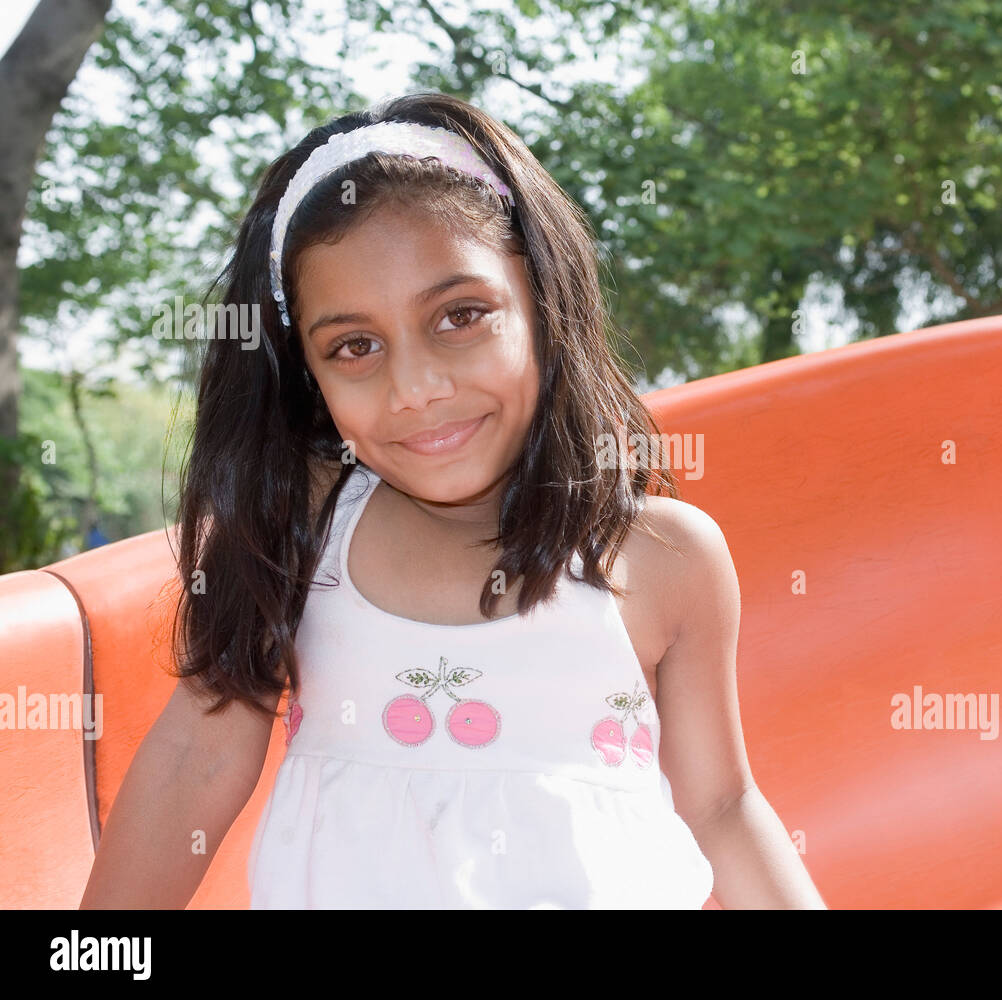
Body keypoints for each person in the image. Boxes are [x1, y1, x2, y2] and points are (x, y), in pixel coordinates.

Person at [79, 91, 825, 909]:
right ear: (309, 374)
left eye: (460, 315)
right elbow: (198, 757)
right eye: (355, 346)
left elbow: (721, 807)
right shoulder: (303, 530)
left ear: (544, 303)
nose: (418, 388)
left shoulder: (661, 558)